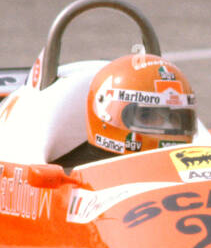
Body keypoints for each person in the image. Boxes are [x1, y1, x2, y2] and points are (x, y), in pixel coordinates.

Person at [60, 55, 197, 167]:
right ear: (106, 113)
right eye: (147, 116)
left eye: (175, 118)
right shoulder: (72, 179)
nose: (168, 128)